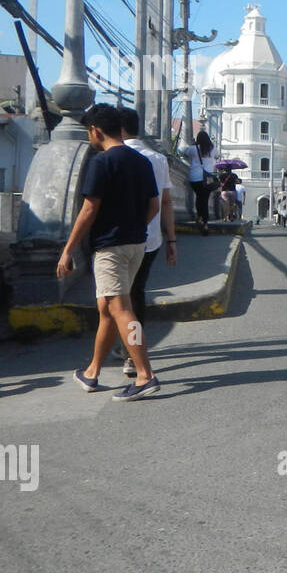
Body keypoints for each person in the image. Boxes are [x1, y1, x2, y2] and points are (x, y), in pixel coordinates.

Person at [57, 103, 161, 401]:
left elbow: (89, 208)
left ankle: (145, 375)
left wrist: (68, 250)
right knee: (108, 309)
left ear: (96, 131)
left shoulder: (101, 163)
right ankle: (92, 372)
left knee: (120, 309)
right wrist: (133, 226)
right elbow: (154, 205)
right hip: (136, 244)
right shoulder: (141, 161)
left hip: (110, 248)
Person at [119, 107, 176, 378]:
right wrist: (172, 239)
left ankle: (131, 353)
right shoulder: (157, 158)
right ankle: (133, 354)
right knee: (136, 295)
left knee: (119, 299)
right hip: (150, 239)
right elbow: (165, 202)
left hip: (118, 239)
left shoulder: (112, 157)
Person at [184, 131, 216, 234]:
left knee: (199, 197)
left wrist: (193, 145)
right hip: (208, 178)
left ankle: (200, 217)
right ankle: (205, 223)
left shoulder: (193, 149)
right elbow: (217, 155)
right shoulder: (213, 148)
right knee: (205, 199)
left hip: (195, 177)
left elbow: (184, 153)